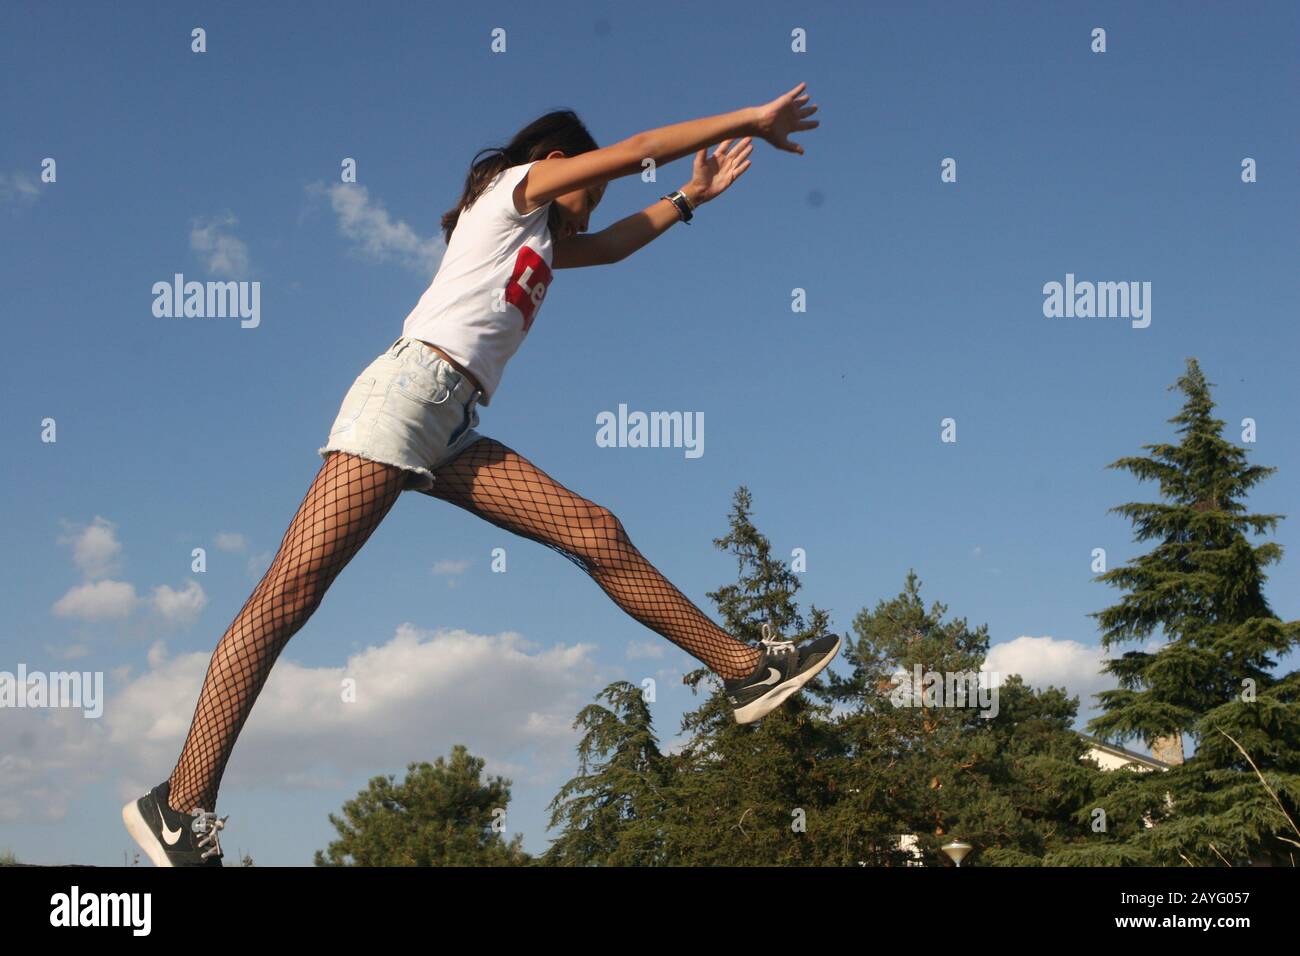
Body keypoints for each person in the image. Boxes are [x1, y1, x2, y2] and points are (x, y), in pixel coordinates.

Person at [123, 82, 840, 866]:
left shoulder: (539, 244)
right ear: (560, 163)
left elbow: (612, 247)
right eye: (592, 189)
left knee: (594, 530)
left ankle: (742, 669)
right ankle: (180, 802)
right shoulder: (514, 190)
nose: (593, 206)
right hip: (407, 395)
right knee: (291, 592)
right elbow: (637, 148)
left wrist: (690, 198)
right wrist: (749, 119)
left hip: (451, 423)